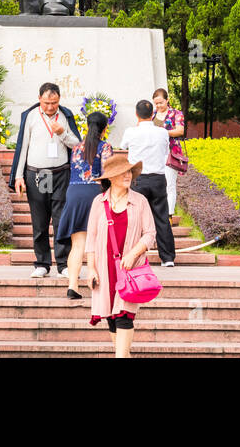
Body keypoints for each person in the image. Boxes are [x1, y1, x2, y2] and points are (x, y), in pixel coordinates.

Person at [84, 153, 157, 358]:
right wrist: (91, 269)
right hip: (104, 268)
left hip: (129, 269)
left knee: (125, 316)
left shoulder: (140, 201)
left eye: (129, 172)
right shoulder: (99, 202)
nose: (127, 176)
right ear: (111, 177)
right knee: (112, 318)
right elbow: (91, 237)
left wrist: (134, 253)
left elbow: (150, 233)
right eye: (122, 172)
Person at [10, 83, 81, 276]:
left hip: (60, 173)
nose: (50, 107)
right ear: (39, 98)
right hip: (38, 174)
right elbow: (22, 147)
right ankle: (41, 263)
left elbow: (77, 145)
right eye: (47, 103)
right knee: (40, 220)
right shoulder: (31, 116)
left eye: (54, 103)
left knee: (60, 219)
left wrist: (62, 133)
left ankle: (63, 264)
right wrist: (18, 176)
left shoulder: (65, 116)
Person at [60, 111, 114, 299]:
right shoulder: (105, 147)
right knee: (99, 242)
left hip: (74, 194)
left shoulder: (76, 148)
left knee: (78, 245)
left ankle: (72, 285)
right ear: (104, 128)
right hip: (95, 194)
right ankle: (99, 284)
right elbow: (108, 172)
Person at [122, 100, 176, 267]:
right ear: (152, 114)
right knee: (161, 218)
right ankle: (167, 258)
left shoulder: (131, 132)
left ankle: (133, 255)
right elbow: (166, 151)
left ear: (136, 115)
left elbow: (123, 147)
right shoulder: (163, 133)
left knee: (135, 218)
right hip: (159, 179)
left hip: (138, 179)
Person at [152, 88, 184, 221]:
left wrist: (163, 132)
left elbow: (180, 131)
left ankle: (169, 215)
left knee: (169, 184)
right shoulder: (153, 115)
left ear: (167, 100)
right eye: (156, 103)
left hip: (171, 153)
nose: (158, 106)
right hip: (154, 154)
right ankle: (157, 213)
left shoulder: (176, 113)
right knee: (156, 184)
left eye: (161, 102)